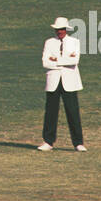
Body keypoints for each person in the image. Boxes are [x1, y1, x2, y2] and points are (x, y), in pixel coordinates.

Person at [38, 16, 86, 152]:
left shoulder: (74, 42)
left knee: (72, 111)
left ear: (66, 30)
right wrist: (64, 60)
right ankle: (48, 141)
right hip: (53, 81)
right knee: (51, 112)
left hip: (69, 82)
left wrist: (56, 60)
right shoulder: (49, 42)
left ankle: (78, 143)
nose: (60, 32)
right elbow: (45, 62)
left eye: (62, 29)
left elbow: (74, 60)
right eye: (58, 29)